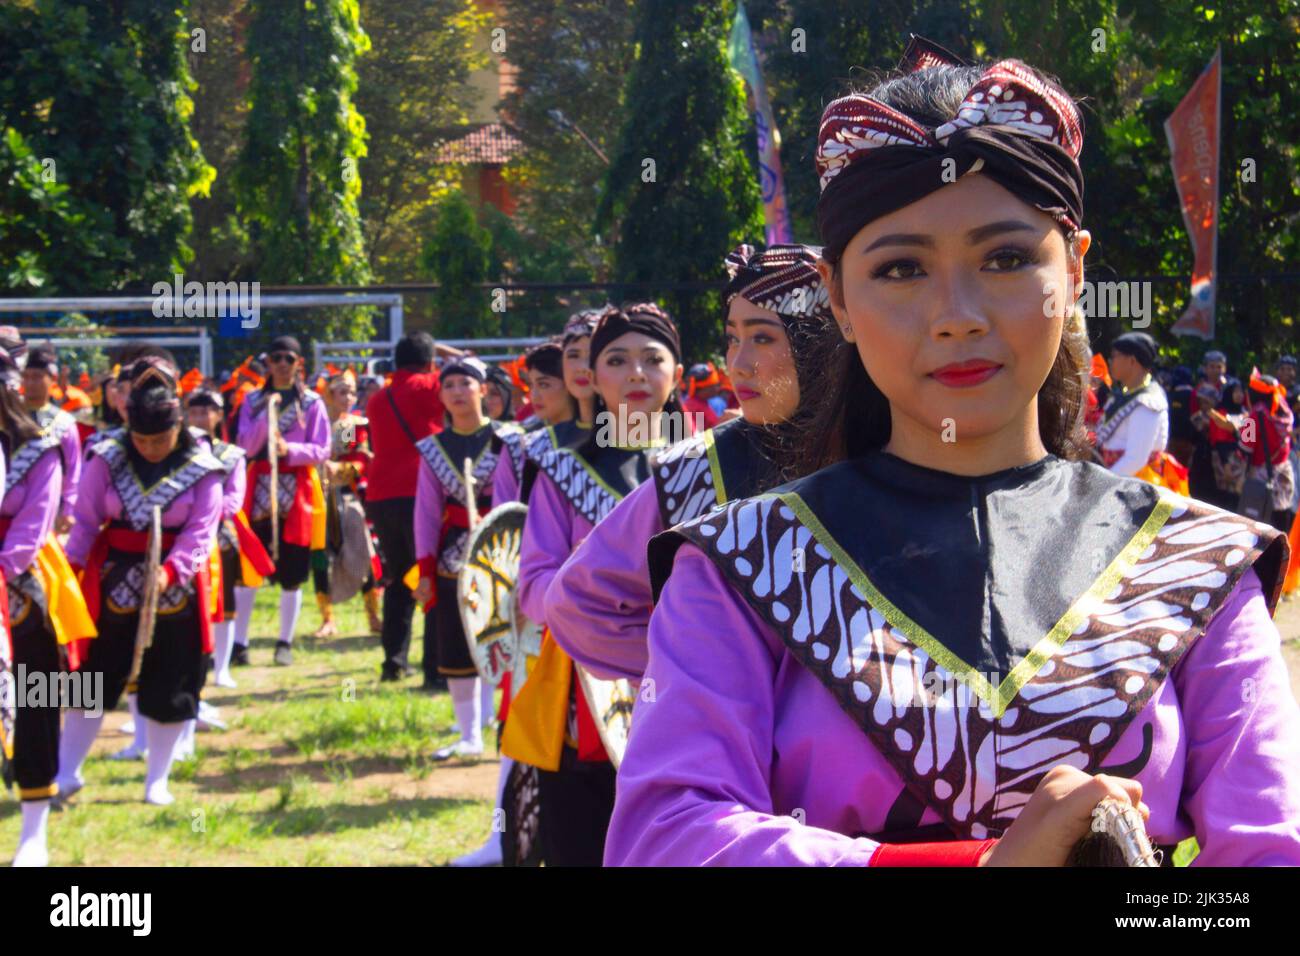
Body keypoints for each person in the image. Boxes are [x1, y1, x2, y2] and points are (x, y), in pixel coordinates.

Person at [607, 50, 1300, 866]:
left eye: (1006, 258)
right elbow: (663, 838)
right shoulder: (741, 563)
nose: (956, 315)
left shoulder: (1192, 563)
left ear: (1073, 269)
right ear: (838, 300)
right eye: (901, 269)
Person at [546, 243, 831, 684]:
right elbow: (572, 600)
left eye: (762, 338)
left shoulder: (904, 459)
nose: (737, 364)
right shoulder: (699, 469)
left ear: (824, 343)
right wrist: (694, 671)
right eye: (733, 339)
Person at [501, 302, 684, 866]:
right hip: (587, 695)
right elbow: (531, 583)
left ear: (678, 372)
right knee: (583, 842)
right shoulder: (560, 470)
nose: (635, 374)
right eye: (617, 360)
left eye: (652, 359)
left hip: (692, 687)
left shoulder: (711, 467)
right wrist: (589, 595)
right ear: (593, 377)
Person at [59, 357, 224, 806]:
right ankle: (65, 771)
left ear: (178, 429)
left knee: (170, 676)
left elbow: (201, 531)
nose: (150, 448)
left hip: (176, 585)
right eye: (142, 439)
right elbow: (86, 520)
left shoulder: (203, 466)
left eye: (160, 439)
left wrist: (171, 570)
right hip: (110, 579)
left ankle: (157, 780)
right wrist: (69, 572)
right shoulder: (106, 456)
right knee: (90, 677)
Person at [0, 347, 95, 865]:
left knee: (39, 692)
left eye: (40, 374)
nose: (34, 382)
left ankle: (34, 824)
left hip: (21, 573)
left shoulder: (47, 442)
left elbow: (42, 514)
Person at [411, 356, 513, 757]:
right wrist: (424, 565)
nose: (456, 392)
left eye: (464, 384)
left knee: (496, 630)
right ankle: (468, 733)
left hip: (499, 547)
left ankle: (494, 717)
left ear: (482, 390)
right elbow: (424, 509)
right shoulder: (433, 448)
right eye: (448, 384)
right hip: (453, 552)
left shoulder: (507, 439)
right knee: (455, 637)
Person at [233, 336, 329, 667]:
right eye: (277, 359)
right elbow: (243, 443)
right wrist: (265, 420)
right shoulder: (252, 401)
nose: (283, 364)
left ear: (298, 363)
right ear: (268, 363)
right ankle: (239, 642)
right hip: (258, 489)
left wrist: (292, 450)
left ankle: (284, 641)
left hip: (296, 493)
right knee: (248, 569)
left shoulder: (312, 403)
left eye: (289, 358)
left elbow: (322, 448)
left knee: (293, 571)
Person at [365, 332, 446, 683]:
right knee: (431, 577)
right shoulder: (433, 386)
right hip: (421, 493)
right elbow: (471, 369)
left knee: (399, 580)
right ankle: (435, 668)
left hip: (382, 495)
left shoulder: (376, 399)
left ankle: (394, 663)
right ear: (430, 362)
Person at [185, 388, 272, 688]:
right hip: (184, 537)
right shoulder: (177, 452)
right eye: (194, 412)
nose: (200, 417)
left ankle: (222, 666)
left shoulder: (231, 455)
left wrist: (202, 511)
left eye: (206, 411)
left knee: (226, 603)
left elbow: (234, 498)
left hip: (219, 535)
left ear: (219, 415)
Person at [311, 372, 380, 638]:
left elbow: (358, 458)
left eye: (352, 392)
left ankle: (373, 614)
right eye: (342, 392)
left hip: (345, 494)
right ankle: (327, 618)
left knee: (362, 550)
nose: (349, 398)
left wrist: (340, 468)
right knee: (320, 556)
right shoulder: (313, 423)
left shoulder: (348, 424)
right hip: (317, 496)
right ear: (329, 394)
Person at [1096, 332, 1185, 492]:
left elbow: (1135, 460)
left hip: (1136, 487)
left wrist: (1100, 487)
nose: (1110, 361)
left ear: (1132, 361)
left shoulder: (1148, 402)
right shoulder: (1124, 394)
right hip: (1117, 479)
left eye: (1115, 356)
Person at [21, 344, 83, 535]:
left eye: (37, 377)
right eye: (26, 377)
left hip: (48, 507)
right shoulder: (9, 416)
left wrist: (69, 508)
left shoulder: (63, 422)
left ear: (53, 379)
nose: (30, 383)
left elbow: (73, 470)